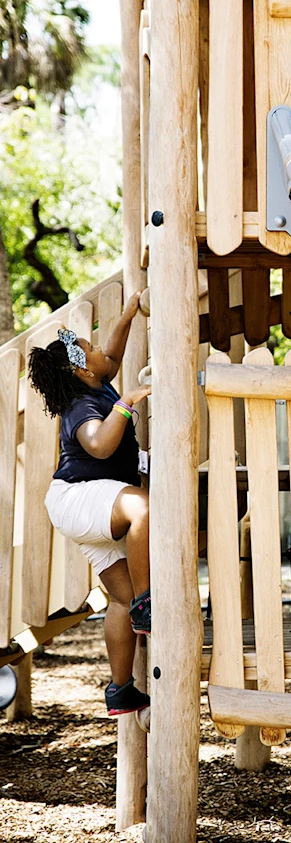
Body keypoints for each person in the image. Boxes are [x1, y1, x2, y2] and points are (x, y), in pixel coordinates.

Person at [28, 292, 152, 717]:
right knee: (143, 509)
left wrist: (129, 311)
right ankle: (146, 604)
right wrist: (126, 403)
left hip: (86, 503)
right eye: (91, 348)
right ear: (82, 368)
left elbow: (113, 353)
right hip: (78, 497)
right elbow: (99, 445)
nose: (103, 351)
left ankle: (121, 690)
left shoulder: (97, 380)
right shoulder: (82, 404)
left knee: (119, 597)